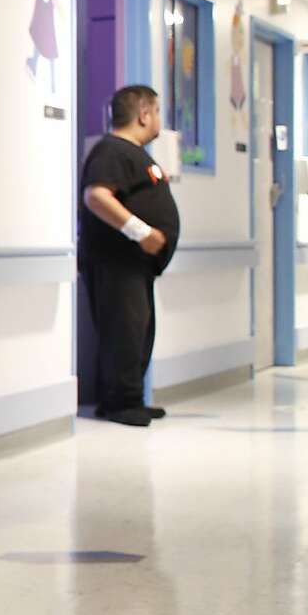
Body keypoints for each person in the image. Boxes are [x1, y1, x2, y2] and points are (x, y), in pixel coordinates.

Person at [79, 85, 181, 427]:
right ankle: (121, 403)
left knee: (137, 331)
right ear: (144, 115)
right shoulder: (112, 151)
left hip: (134, 266)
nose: (158, 120)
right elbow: (96, 197)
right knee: (124, 330)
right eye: (157, 112)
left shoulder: (131, 153)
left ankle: (128, 398)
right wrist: (143, 233)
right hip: (116, 262)